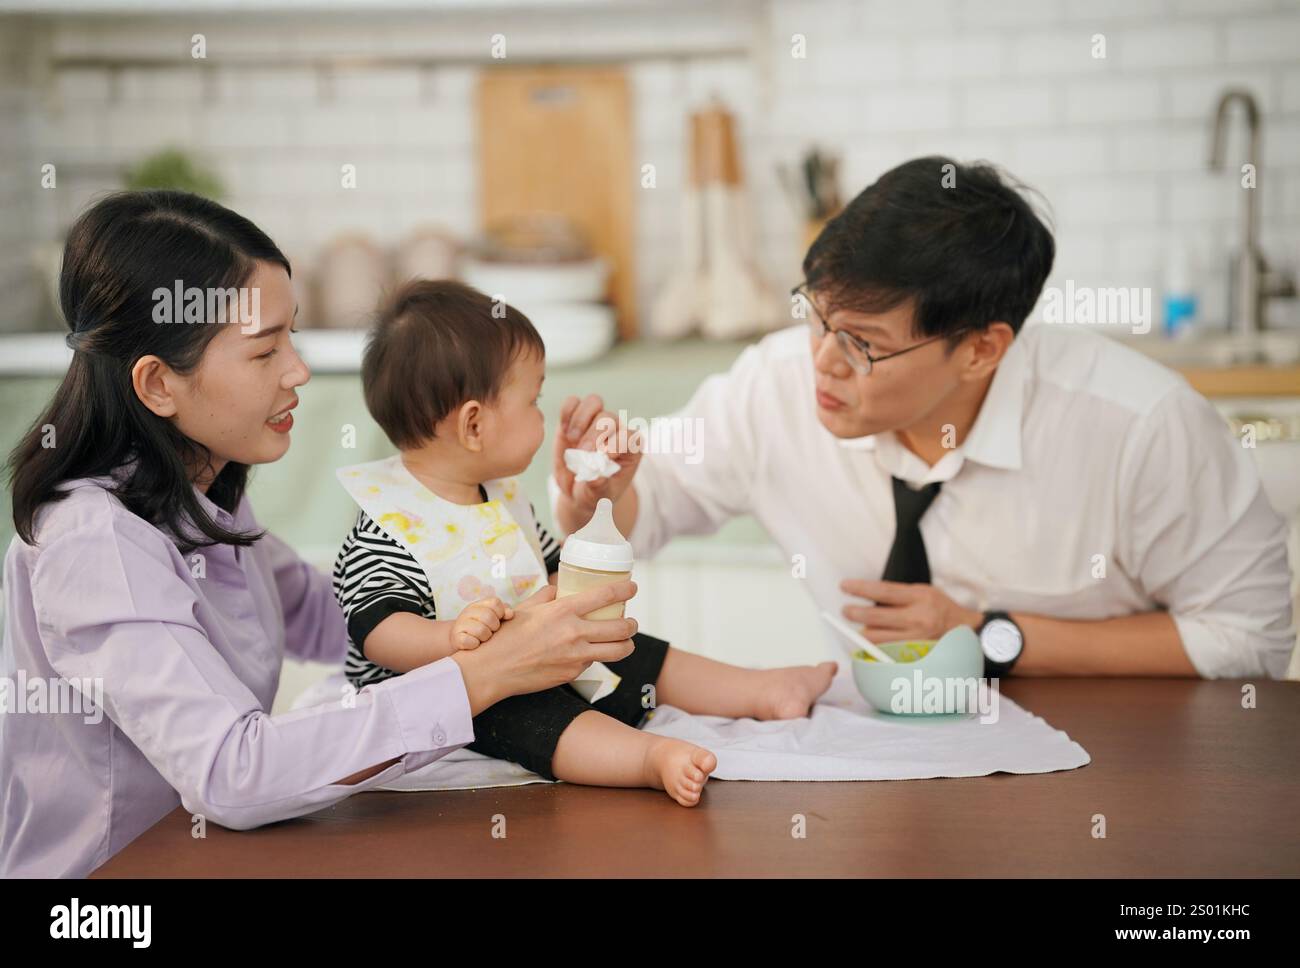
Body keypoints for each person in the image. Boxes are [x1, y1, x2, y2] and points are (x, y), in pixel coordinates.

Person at [0, 191, 639, 878]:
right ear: (158, 383)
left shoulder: (195, 496)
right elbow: (234, 773)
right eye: (264, 351)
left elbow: (346, 618)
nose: (297, 371)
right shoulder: (94, 545)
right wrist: (483, 673)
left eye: (293, 337)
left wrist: (520, 585)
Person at [551, 157, 1294, 680]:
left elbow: (1251, 638)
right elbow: (651, 514)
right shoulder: (774, 385)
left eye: (862, 344)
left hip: (1115, 759)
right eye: (816, 317)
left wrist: (990, 637)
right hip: (884, 765)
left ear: (980, 350)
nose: (823, 362)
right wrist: (600, 500)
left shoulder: (1140, 428)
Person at [330, 279, 838, 806]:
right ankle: (647, 757)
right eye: (533, 400)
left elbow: (549, 566)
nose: (541, 416)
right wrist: (452, 637)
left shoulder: (499, 500)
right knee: (528, 716)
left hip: (529, 657)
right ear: (474, 425)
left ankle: (762, 690)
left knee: (629, 650)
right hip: (457, 695)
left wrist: (575, 585)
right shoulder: (390, 526)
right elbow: (376, 629)